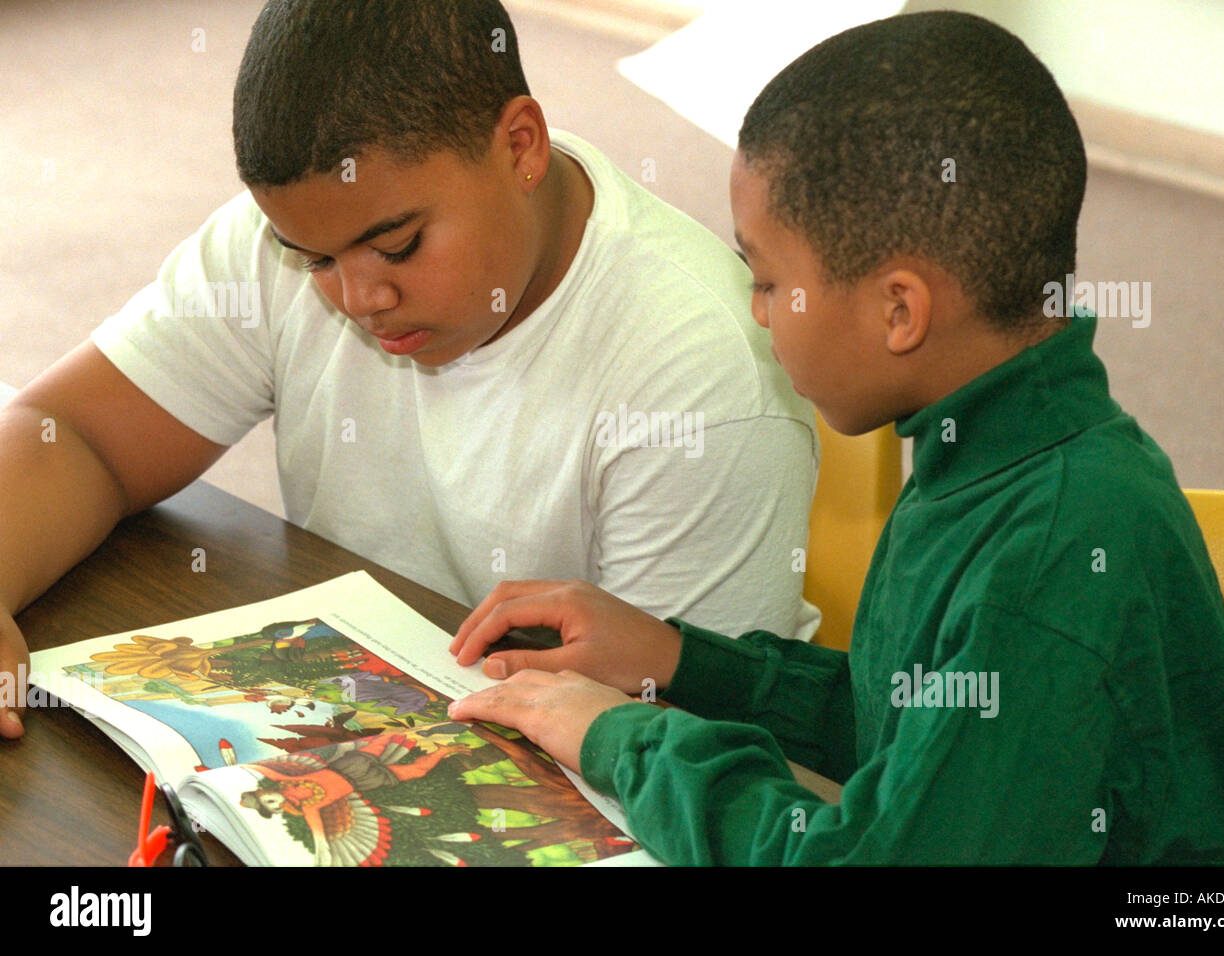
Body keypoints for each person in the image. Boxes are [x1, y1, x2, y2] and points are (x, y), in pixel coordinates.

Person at [446, 11, 1224, 864]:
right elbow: (907, 721)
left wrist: (624, 739)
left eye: (771, 280)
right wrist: (676, 660)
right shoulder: (982, 447)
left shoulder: (1046, 558)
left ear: (899, 310)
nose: (757, 310)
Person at [0, 0, 820, 738]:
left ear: (521, 147)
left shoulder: (702, 374)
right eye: (314, 258)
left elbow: (678, 736)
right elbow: (74, 432)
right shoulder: (292, 236)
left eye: (397, 246)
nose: (360, 296)